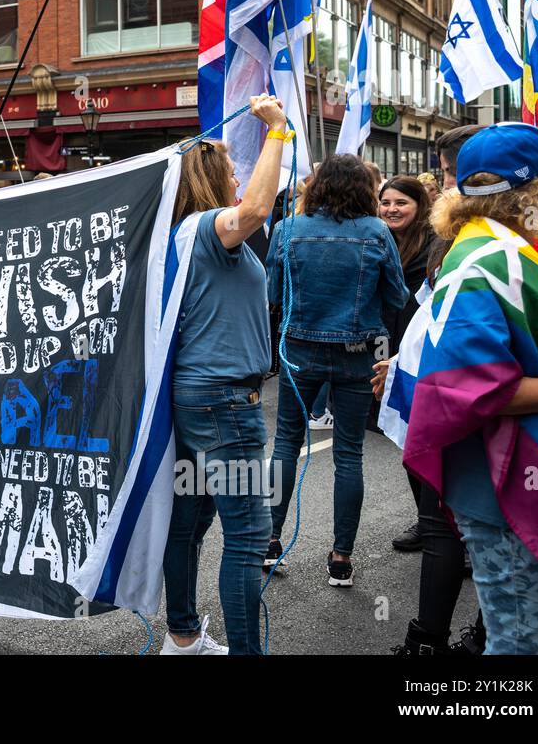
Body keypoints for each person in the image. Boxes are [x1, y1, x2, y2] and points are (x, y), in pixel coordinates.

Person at [406, 123, 538, 655]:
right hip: (510, 485)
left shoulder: (509, 248)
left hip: (524, 475)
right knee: (521, 645)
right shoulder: (487, 259)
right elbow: (472, 390)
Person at [161, 93, 290, 656]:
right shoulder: (210, 228)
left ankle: (183, 636)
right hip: (223, 405)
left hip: (199, 399)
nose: (241, 180)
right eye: (234, 171)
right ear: (212, 180)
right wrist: (278, 132)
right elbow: (258, 211)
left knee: (189, 523)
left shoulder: (183, 234)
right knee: (247, 535)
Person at [265, 153, 409, 587]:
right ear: (365, 189)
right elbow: (398, 297)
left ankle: (270, 542)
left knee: (286, 444)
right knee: (349, 453)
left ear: (318, 185)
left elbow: (273, 293)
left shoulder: (288, 229)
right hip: (355, 350)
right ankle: (341, 556)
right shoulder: (376, 231)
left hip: (300, 348)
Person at [375, 176, 436, 552]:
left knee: (424, 442)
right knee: (408, 443)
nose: (391, 209)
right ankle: (430, 523)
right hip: (389, 347)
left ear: (420, 207)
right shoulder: (380, 240)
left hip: (421, 352)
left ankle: (446, 531)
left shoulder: (434, 245)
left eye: (401, 203)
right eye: (386, 203)